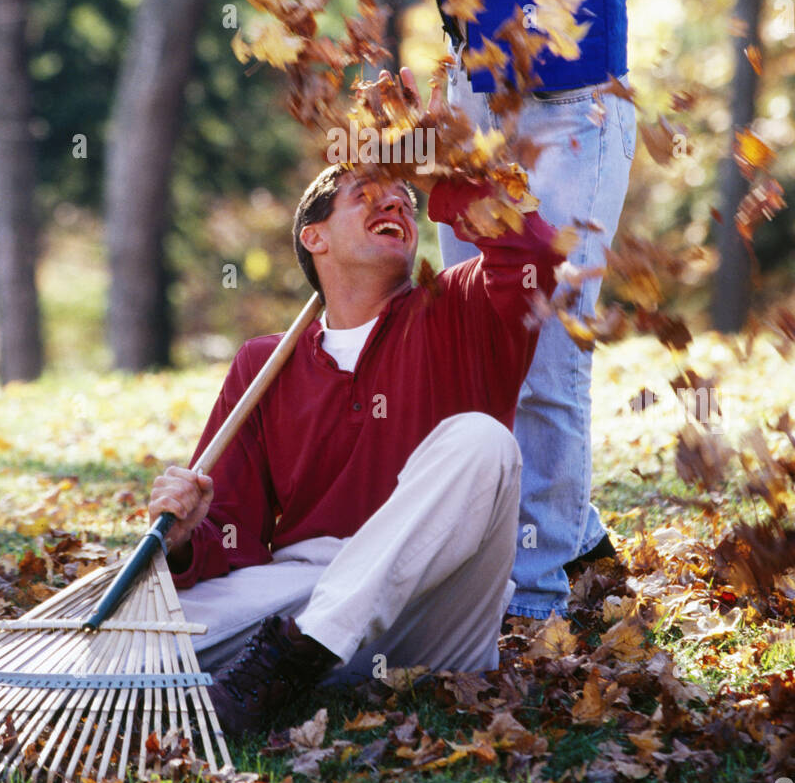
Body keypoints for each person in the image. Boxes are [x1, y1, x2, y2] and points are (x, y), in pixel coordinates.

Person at [307, 0, 673, 621]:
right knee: (473, 334)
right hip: (480, 99)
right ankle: (572, 544)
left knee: (545, 348)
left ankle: (538, 606)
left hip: (570, 116)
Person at [148, 71, 562, 736]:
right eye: (363, 195)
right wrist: (183, 539)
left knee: (484, 442)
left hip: (434, 615)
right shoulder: (266, 363)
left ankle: (288, 664)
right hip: (298, 595)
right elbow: (234, 532)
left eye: (403, 198)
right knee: (128, 636)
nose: (393, 204)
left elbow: (534, 250)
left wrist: (442, 169)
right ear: (314, 238)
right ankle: (280, 662)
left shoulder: (461, 307)